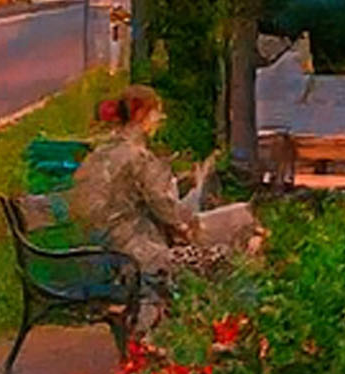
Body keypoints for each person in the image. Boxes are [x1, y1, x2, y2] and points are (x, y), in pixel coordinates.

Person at [69, 86, 263, 283]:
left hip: (100, 245)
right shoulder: (138, 157)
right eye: (156, 113)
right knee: (239, 229)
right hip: (135, 253)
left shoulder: (102, 151)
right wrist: (186, 226)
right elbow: (164, 206)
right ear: (141, 115)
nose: (159, 119)